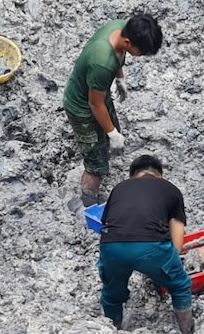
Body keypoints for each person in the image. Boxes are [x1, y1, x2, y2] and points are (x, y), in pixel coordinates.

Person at [62, 15, 163, 207]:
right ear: (128, 42)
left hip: (98, 93)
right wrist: (112, 134)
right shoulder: (102, 63)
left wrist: (119, 78)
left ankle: (104, 146)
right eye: (140, 52)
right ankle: (89, 202)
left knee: (108, 133)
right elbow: (95, 105)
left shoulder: (120, 27)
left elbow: (118, 58)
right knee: (96, 163)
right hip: (82, 107)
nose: (140, 56)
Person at [96, 154, 194, 334]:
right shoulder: (170, 189)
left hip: (111, 246)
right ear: (159, 175)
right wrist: (168, 265)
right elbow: (177, 240)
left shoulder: (119, 188)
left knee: (111, 293)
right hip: (151, 246)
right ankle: (187, 333)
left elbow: (108, 223)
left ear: (133, 175)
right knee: (180, 285)